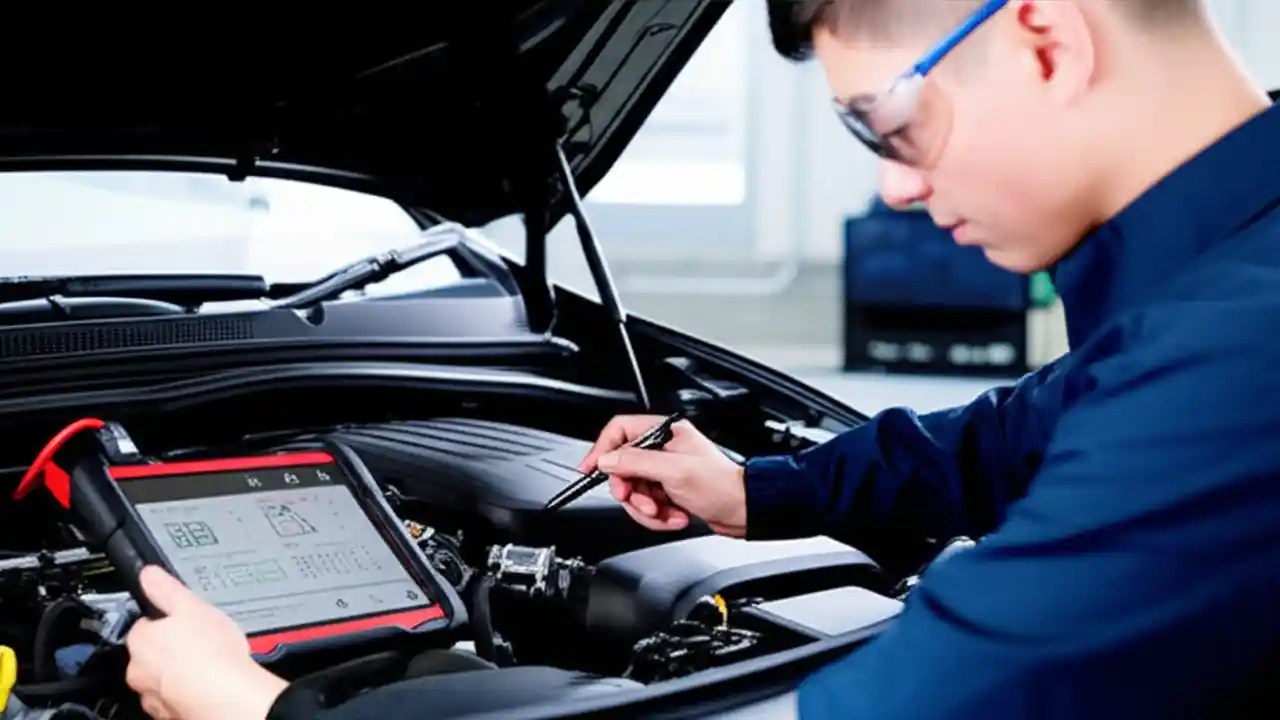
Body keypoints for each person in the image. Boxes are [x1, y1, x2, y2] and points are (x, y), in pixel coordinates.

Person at [121, 0, 1280, 718]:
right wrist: (754, 491)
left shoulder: (1231, 361)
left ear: (1044, 39)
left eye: (886, 123)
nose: (893, 185)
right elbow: (1021, 432)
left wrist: (264, 714)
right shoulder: (1221, 285)